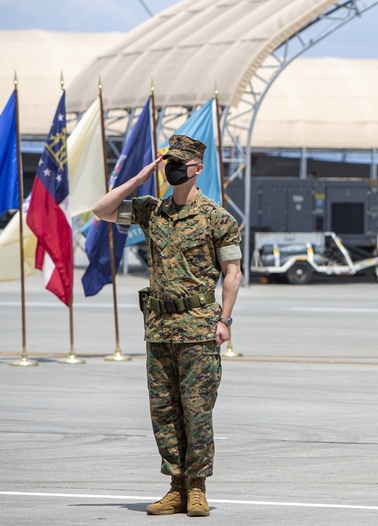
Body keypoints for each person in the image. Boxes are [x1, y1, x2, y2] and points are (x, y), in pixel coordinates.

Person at [93, 134, 242, 516]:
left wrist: (225, 319)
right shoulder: (151, 210)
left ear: (198, 168)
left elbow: (232, 272)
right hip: (159, 328)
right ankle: (176, 487)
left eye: (180, 163)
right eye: (169, 162)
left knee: (197, 411)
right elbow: (101, 210)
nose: (173, 169)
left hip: (198, 328)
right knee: (164, 412)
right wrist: (138, 178)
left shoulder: (218, 218)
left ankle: (197, 488)